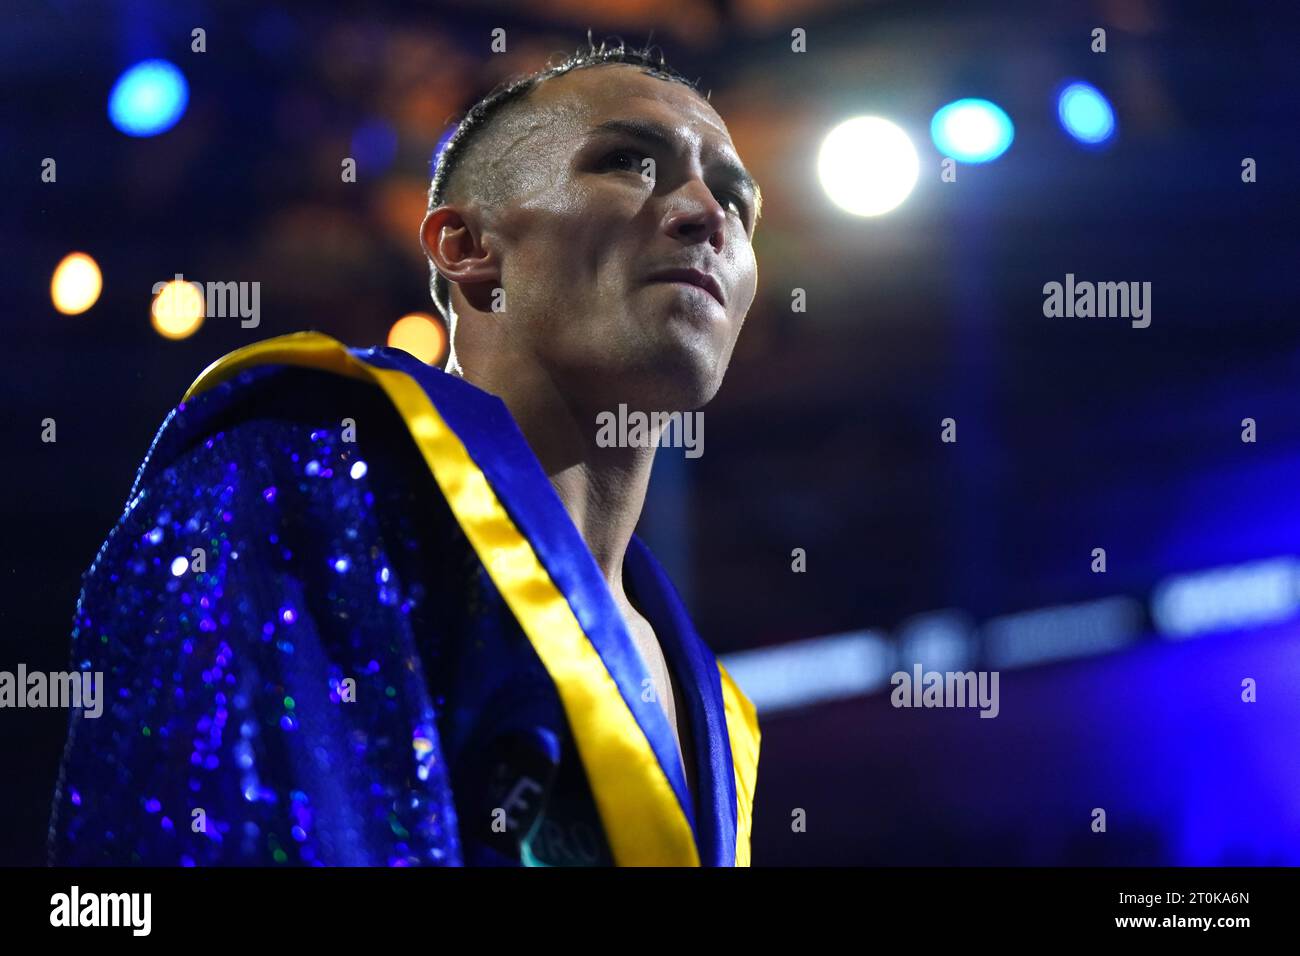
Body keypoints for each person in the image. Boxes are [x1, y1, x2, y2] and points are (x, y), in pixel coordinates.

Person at [48, 38, 761, 867]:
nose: (708, 215)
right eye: (630, 162)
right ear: (465, 249)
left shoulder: (717, 703)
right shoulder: (293, 478)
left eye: (739, 204)